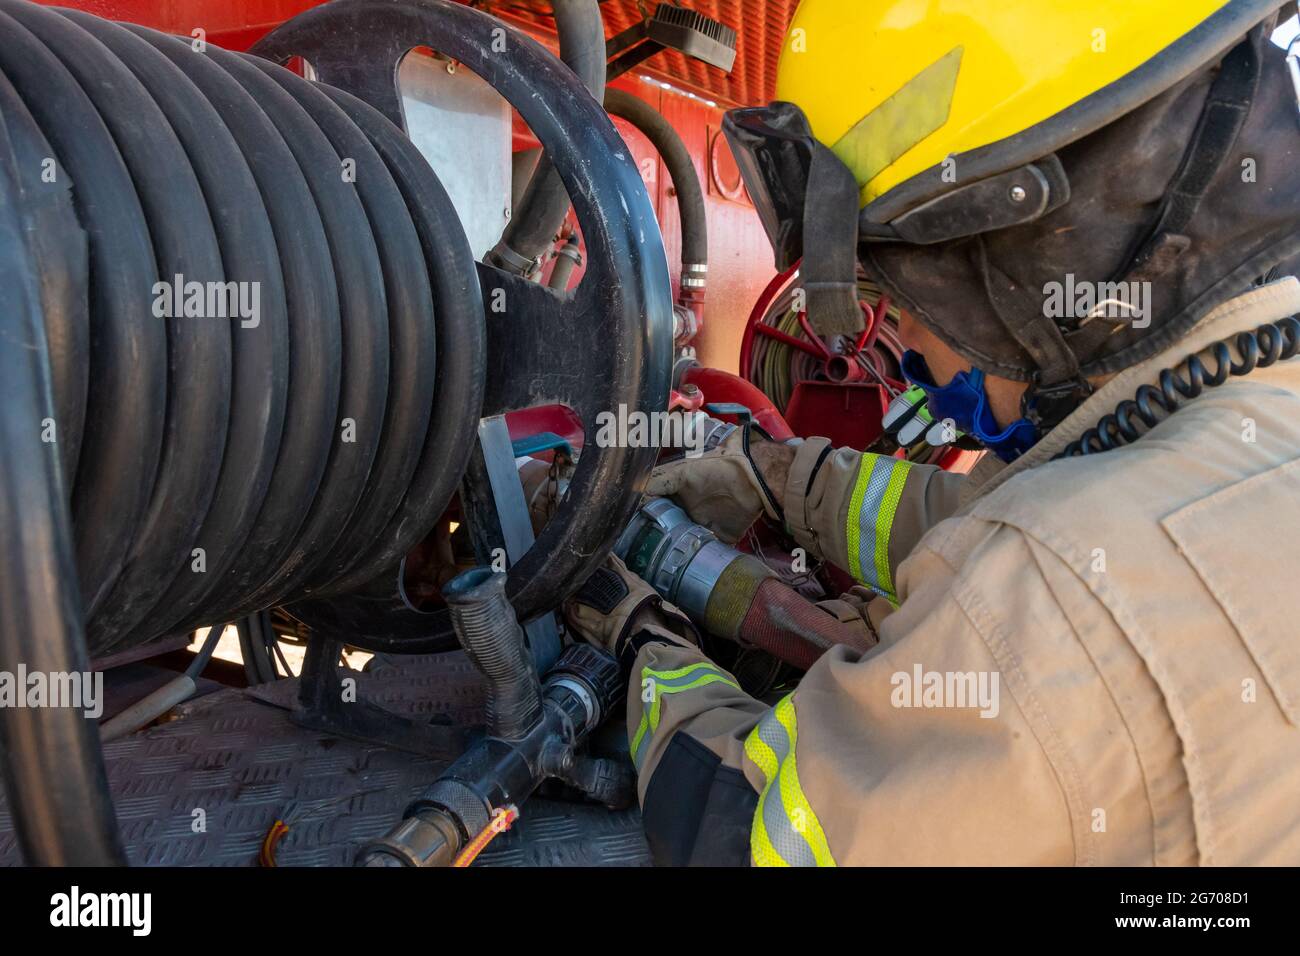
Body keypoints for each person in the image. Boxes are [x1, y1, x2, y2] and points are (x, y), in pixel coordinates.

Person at [563, 0, 1300, 865]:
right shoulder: (1231, 422)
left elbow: (744, 829)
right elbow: (975, 512)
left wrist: (648, 643)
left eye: (894, 294)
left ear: (1009, 263)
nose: (896, 342)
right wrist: (775, 477)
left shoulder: (1050, 599)